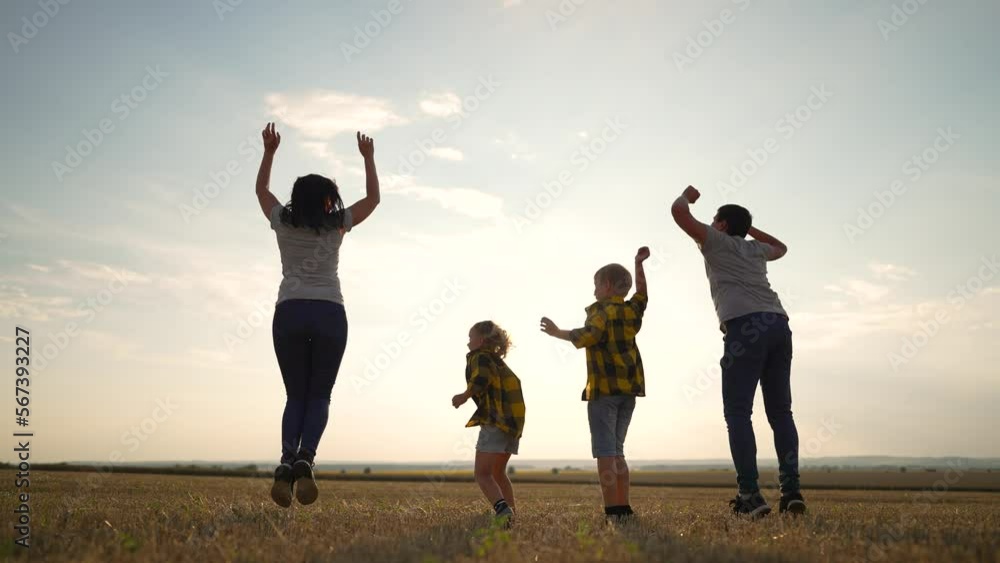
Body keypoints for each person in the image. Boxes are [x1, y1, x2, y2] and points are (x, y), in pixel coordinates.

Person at [255, 122, 381, 507]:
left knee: (295, 394)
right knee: (319, 395)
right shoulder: (336, 226)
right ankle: (306, 457)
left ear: (297, 199)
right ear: (329, 201)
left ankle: (285, 461)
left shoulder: (281, 221)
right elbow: (373, 200)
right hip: (329, 312)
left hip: (289, 312)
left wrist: (270, 152)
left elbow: (261, 191)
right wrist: (369, 158)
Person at [670, 185, 806, 518]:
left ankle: (750, 494)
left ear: (720, 225)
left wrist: (688, 196)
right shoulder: (755, 250)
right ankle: (791, 492)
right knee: (781, 413)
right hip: (778, 324)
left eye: (715, 220)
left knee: (738, 413)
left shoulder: (715, 241)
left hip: (744, 327)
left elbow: (678, 213)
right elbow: (781, 247)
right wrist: (747, 231)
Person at [539, 247, 650, 523]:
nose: (594, 291)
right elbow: (642, 295)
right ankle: (623, 506)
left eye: (596, 285)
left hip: (604, 391)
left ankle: (612, 509)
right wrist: (638, 265)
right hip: (629, 391)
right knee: (618, 450)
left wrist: (557, 333)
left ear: (608, 285)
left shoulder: (602, 311)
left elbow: (589, 335)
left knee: (605, 452)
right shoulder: (630, 311)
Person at [452, 321, 525, 527]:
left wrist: (464, 395)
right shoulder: (498, 362)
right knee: (497, 473)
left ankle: (502, 510)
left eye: (470, 338)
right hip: (513, 424)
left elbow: (480, 379)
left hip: (495, 421)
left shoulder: (480, 357)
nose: (468, 343)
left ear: (481, 340)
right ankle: (512, 514)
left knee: (482, 474)